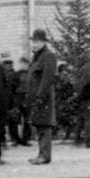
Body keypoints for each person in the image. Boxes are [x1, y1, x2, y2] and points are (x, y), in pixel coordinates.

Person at [26, 30, 58, 164]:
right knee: (39, 125)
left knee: (44, 126)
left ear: (44, 42)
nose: (34, 44)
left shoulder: (48, 56)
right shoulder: (37, 57)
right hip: (36, 98)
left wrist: (40, 96)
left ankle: (45, 156)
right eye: (33, 41)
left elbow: (47, 79)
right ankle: (41, 154)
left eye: (37, 42)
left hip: (43, 98)